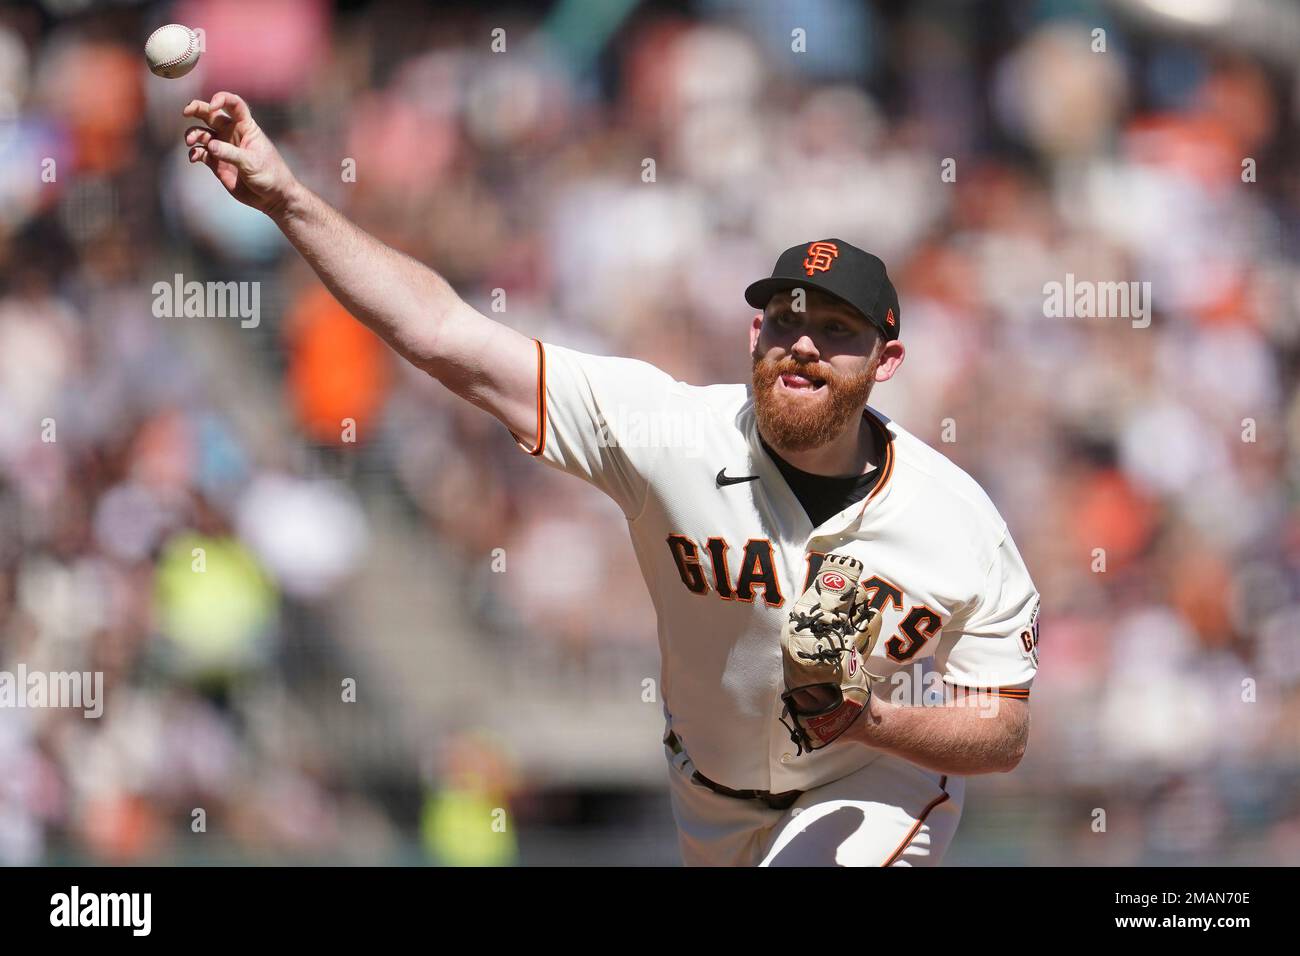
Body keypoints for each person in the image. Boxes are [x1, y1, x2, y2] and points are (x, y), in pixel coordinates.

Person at [182, 91, 1040, 866]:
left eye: (838, 328)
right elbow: (445, 333)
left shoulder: (957, 521)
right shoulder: (666, 429)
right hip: (706, 797)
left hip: (873, 784)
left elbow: (1002, 733)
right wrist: (288, 200)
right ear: (753, 336)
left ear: (886, 360)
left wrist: (870, 721)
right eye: (786, 317)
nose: (805, 341)